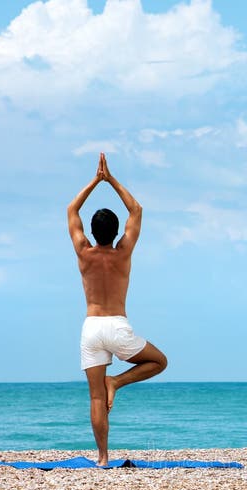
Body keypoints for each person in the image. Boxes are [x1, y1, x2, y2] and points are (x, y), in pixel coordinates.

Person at [67, 153, 167, 467]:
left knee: (96, 398)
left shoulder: (84, 251)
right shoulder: (123, 252)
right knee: (159, 362)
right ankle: (118, 382)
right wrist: (111, 179)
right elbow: (136, 209)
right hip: (117, 326)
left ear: (93, 232)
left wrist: (95, 181)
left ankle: (102, 458)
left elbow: (72, 209)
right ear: (115, 232)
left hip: (92, 327)